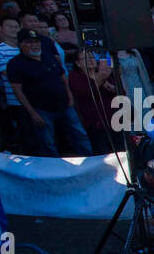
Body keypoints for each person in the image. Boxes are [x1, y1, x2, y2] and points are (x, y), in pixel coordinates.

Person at [6, 28, 91, 157]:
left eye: (36, 42)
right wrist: (32, 113)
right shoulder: (15, 64)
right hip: (41, 109)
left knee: (79, 134)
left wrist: (70, 97)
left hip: (64, 104)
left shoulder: (49, 57)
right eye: (29, 42)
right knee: (47, 142)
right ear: (21, 44)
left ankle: (89, 160)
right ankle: (54, 170)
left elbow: (63, 78)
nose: (34, 45)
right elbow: (18, 91)